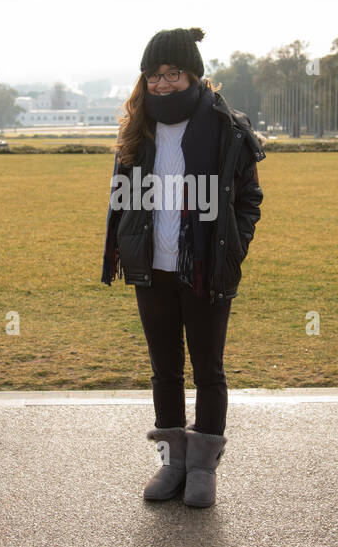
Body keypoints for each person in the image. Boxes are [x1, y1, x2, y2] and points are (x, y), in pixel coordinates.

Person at [100, 27, 265, 508]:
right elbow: (123, 199)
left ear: (193, 74)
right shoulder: (137, 129)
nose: (164, 83)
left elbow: (249, 199)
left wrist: (233, 248)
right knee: (165, 370)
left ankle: (202, 469)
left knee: (208, 370)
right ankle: (172, 464)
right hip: (153, 268)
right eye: (154, 75)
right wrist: (125, 249)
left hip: (206, 270)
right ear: (144, 80)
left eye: (173, 73)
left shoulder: (226, 127)